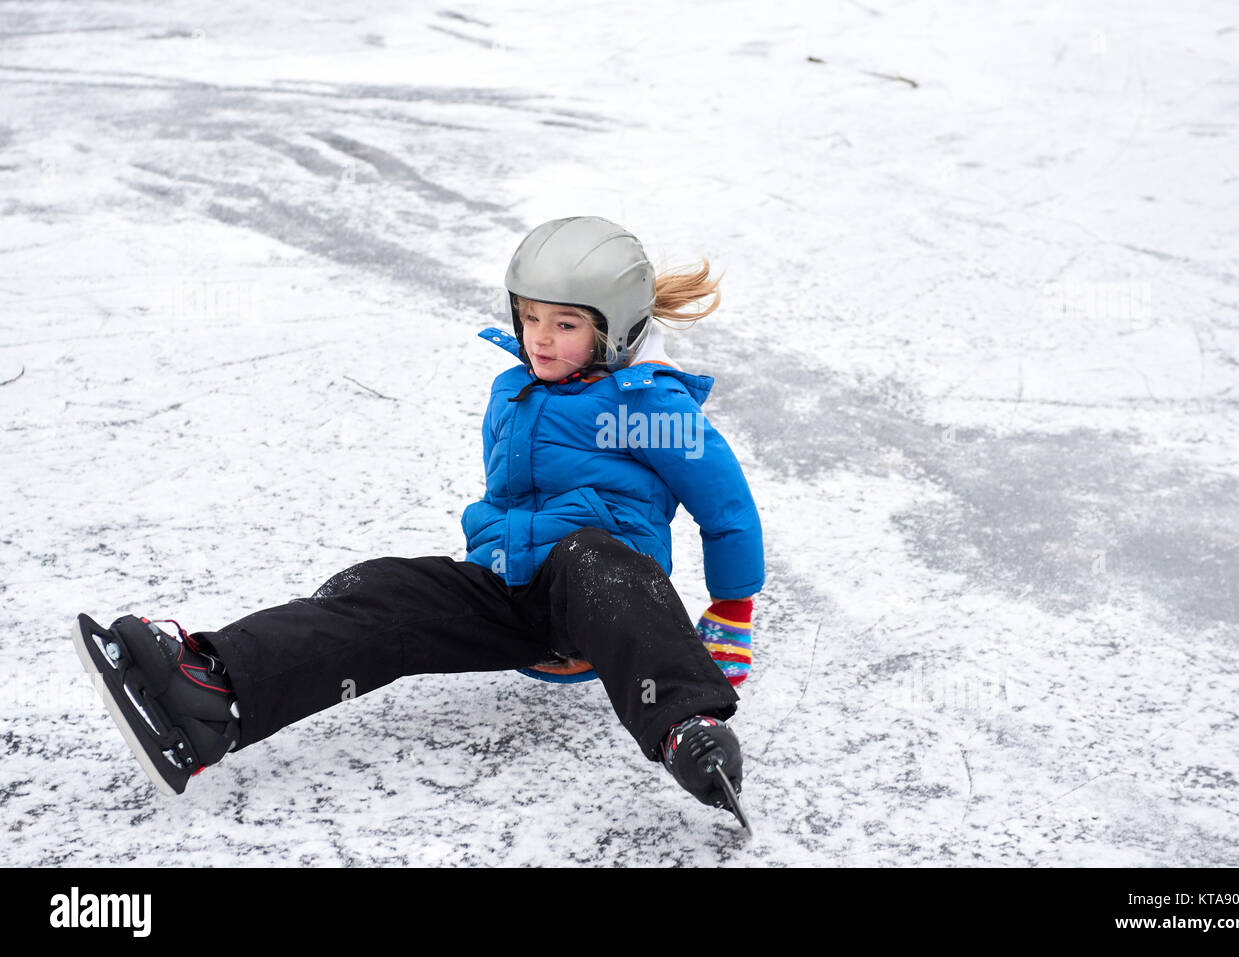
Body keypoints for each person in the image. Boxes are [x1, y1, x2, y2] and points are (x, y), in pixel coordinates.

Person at [73, 216, 765, 828]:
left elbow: (726, 505)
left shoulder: (649, 403)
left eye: (565, 323)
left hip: (603, 590)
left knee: (592, 557)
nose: (539, 339)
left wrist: (731, 609)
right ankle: (213, 695)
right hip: (511, 587)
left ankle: (684, 723)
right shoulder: (518, 387)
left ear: (615, 329)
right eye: (529, 318)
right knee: (380, 590)